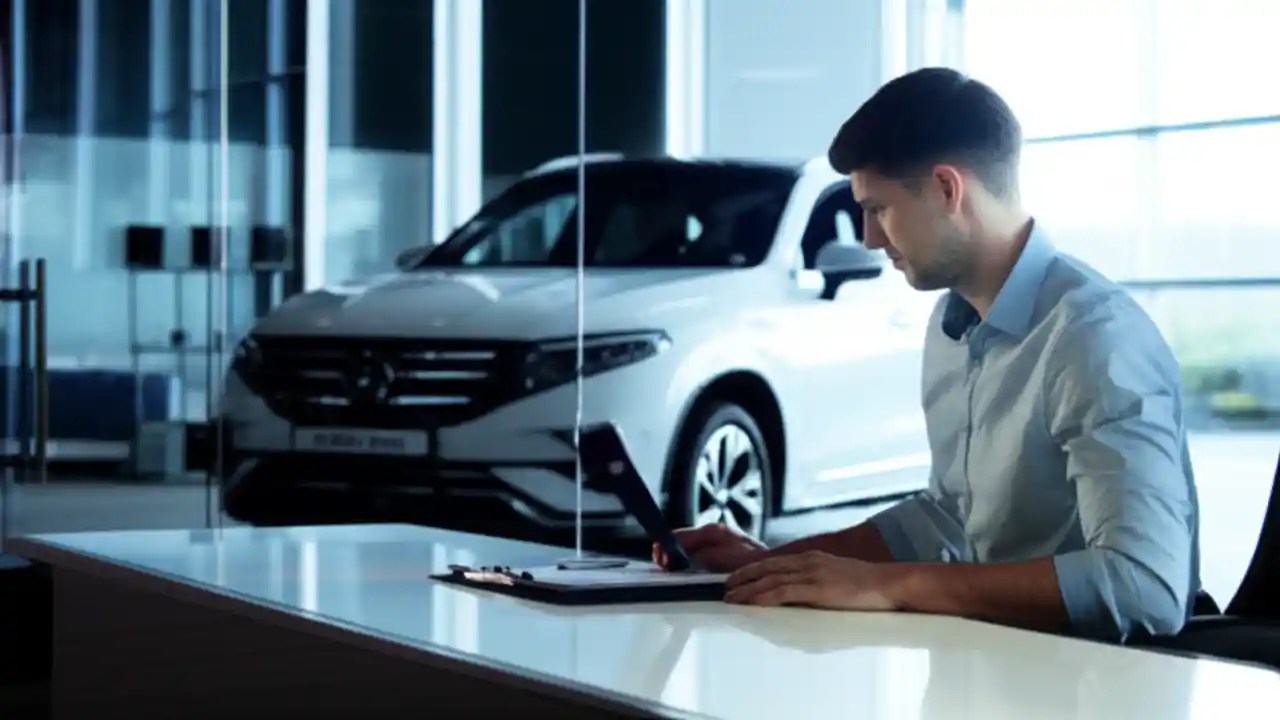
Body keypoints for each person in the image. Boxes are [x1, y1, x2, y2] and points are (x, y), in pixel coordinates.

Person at [655, 67, 1201, 642]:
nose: (867, 237)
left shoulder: (1095, 337)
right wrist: (771, 565)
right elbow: (949, 515)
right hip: (991, 667)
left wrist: (894, 587)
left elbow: (1146, 585)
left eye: (878, 208)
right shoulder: (952, 323)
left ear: (947, 189)